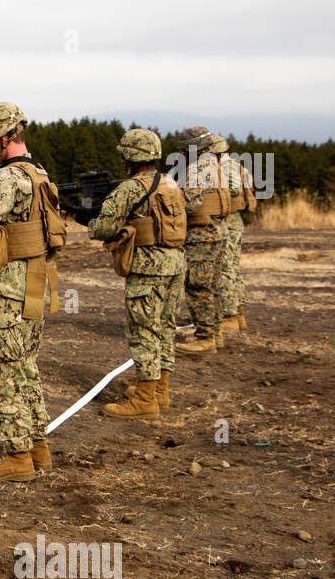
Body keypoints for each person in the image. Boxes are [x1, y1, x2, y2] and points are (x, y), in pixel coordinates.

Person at [0, 102, 60, 481]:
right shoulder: (39, 174)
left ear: (2, 137)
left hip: (12, 287)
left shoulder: (7, 179)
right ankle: (38, 446)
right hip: (37, 279)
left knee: (2, 372)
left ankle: (17, 456)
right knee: (26, 366)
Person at [85, 128, 186, 418]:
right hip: (175, 264)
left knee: (143, 331)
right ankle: (159, 390)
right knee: (165, 327)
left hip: (148, 268)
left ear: (130, 157)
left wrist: (91, 224)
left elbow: (104, 227)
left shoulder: (131, 189)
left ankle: (145, 401)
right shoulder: (170, 184)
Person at [174, 125, 230, 355]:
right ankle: (214, 332)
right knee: (211, 285)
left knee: (198, 286)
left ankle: (205, 337)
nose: (184, 156)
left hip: (201, 236)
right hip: (216, 232)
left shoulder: (199, 169)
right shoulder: (217, 166)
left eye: (186, 151)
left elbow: (189, 203)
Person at [210, 133, 252, 332]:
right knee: (233, 267)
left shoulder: (226, 167)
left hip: (229, 219)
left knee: (226, 268)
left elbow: (234, 189)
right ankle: (238, 311)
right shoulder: (234, 165)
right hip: (234, 219)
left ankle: (229, 316)